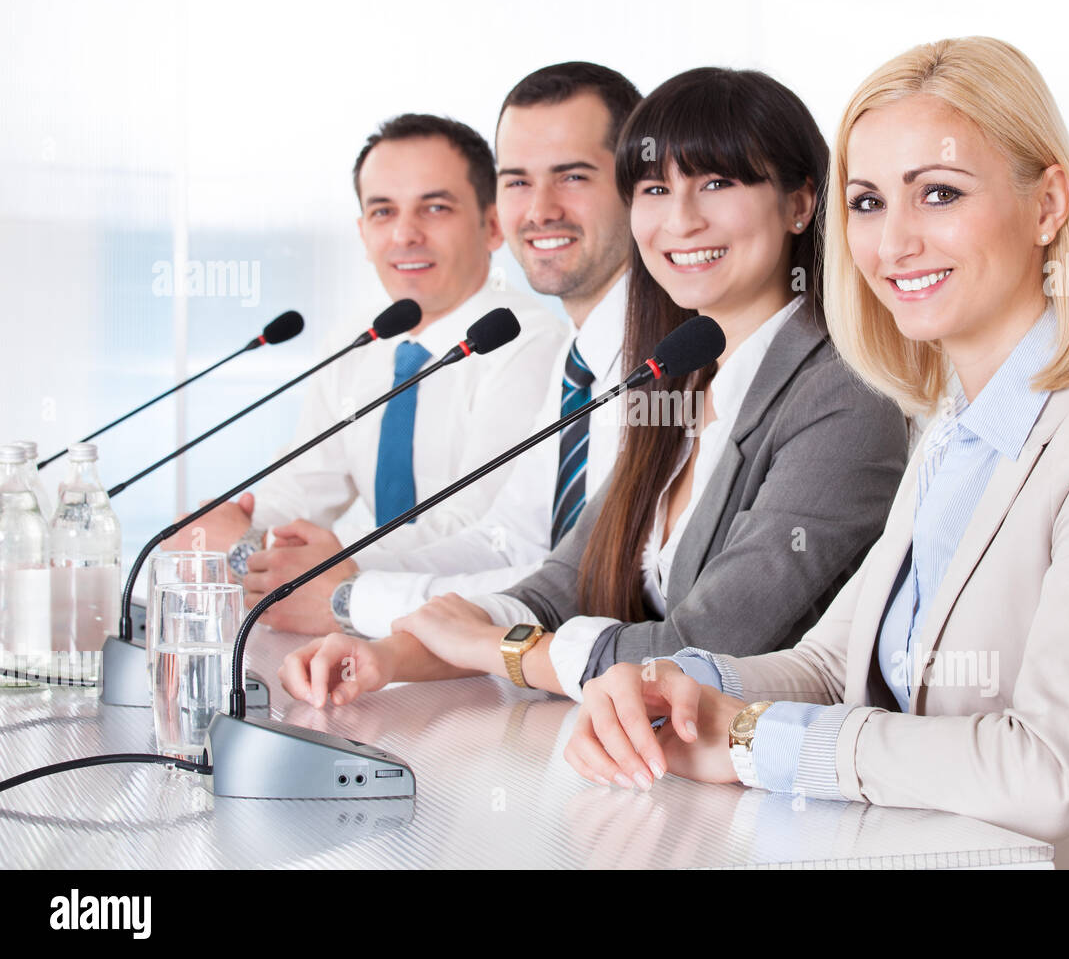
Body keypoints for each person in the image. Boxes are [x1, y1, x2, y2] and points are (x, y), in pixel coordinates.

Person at [562, 37, 1069, 870]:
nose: (893, 244)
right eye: (868, 202)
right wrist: (683, 686)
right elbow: (831, 661)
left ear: (1048, 205)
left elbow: (1050, 770)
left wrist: (753, 741)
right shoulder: (953, 435)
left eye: (939, 193)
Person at [278, 67, 909, 717]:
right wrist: (390, 657)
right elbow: (563, 586)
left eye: (717, 183)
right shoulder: (682, 376)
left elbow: (701, 648)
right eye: (656, 189)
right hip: (649, 765)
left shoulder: (845, 394)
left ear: (801, 204)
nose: (682, 220)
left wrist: (506, 649)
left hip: (778, 787)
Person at [165, 115, 566, 631]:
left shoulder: (529, 344)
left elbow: (480, 531)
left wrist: (287, 558)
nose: (404, 234)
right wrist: (233, 526)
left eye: (435, 208)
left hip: (483, 633)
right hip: (361, 630)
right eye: (383, 211)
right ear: (362, 231)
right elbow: (303, 486)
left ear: (493, 225)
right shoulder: (361, 340)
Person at [323, 63, 641, 639]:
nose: (541, 209)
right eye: (518, 180)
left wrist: (353, 596)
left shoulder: (663, 368)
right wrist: (339, 575)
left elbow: (589, 585)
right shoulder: (580, 357)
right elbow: (509, 537)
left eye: (572, 177)